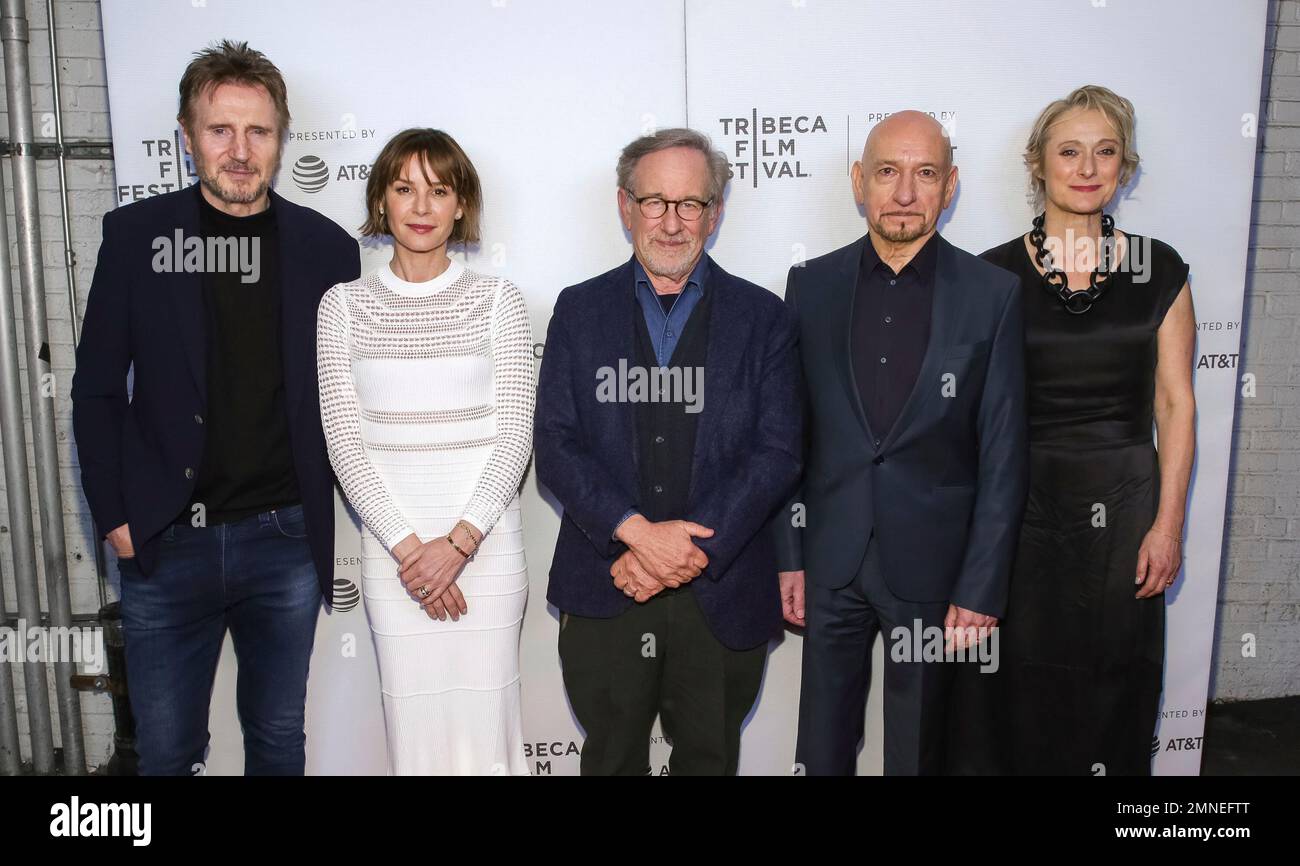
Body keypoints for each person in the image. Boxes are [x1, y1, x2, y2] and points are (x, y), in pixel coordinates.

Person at [71, 40, 360, 775]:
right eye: (220, 130)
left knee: (275, 741)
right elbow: (97, 390)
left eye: (258, 131)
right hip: (167, 543)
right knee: (167, 753)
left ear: (280, 139)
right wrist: (116, 520)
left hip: (285, 539)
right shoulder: (137, 239)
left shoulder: (326, 250)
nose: (240, 150)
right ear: (187, 135)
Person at [534, 128, 801, 775]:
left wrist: (684, 551)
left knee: (710, 762)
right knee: (610, 762)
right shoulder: (577, 310)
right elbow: (556, 444)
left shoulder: (765, 318)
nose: (673, 222)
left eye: (691, 204)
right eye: (655, 201)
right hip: (607, 584)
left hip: (723, 590)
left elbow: (778, 452)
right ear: (625, 206)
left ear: (715, 211)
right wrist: (635, 535)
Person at [952, 85, 1195, 775]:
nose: (1087, 167)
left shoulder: (1161, 269)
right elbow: (966, 418)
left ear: (1125, 165)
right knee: (1016, 688)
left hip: (1126, 511)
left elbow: (1175, 405)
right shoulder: (989, 275)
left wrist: (1168, 523)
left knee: (1114, 684)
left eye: (1106, 151)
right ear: (1039, 164)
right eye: (1069, 150)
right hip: (1021, 510)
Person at [777, 111, 1028, 775]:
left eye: (926, 174)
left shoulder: (993, 295)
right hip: (830, 561)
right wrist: (789, 554)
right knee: (820, 749)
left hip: (934, 568)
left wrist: (981, 587)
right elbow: (788, 438)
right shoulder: (811, 286)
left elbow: (1004, 453)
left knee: (918, 752)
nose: (905, 192)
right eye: (888, 171)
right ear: (860, 181)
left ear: (950, 188)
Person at [318, 128, 534, 775]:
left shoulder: (500, 300)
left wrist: (459, 543)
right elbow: (344, 442)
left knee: (489, 733)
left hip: (487, 553)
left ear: (461, 204)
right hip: (396, 561)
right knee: (416, 738)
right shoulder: (343, 306)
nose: (420, 205)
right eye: (404, 187)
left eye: (438, 190)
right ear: (381, 200)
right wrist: (415, 553)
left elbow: (516, 434)